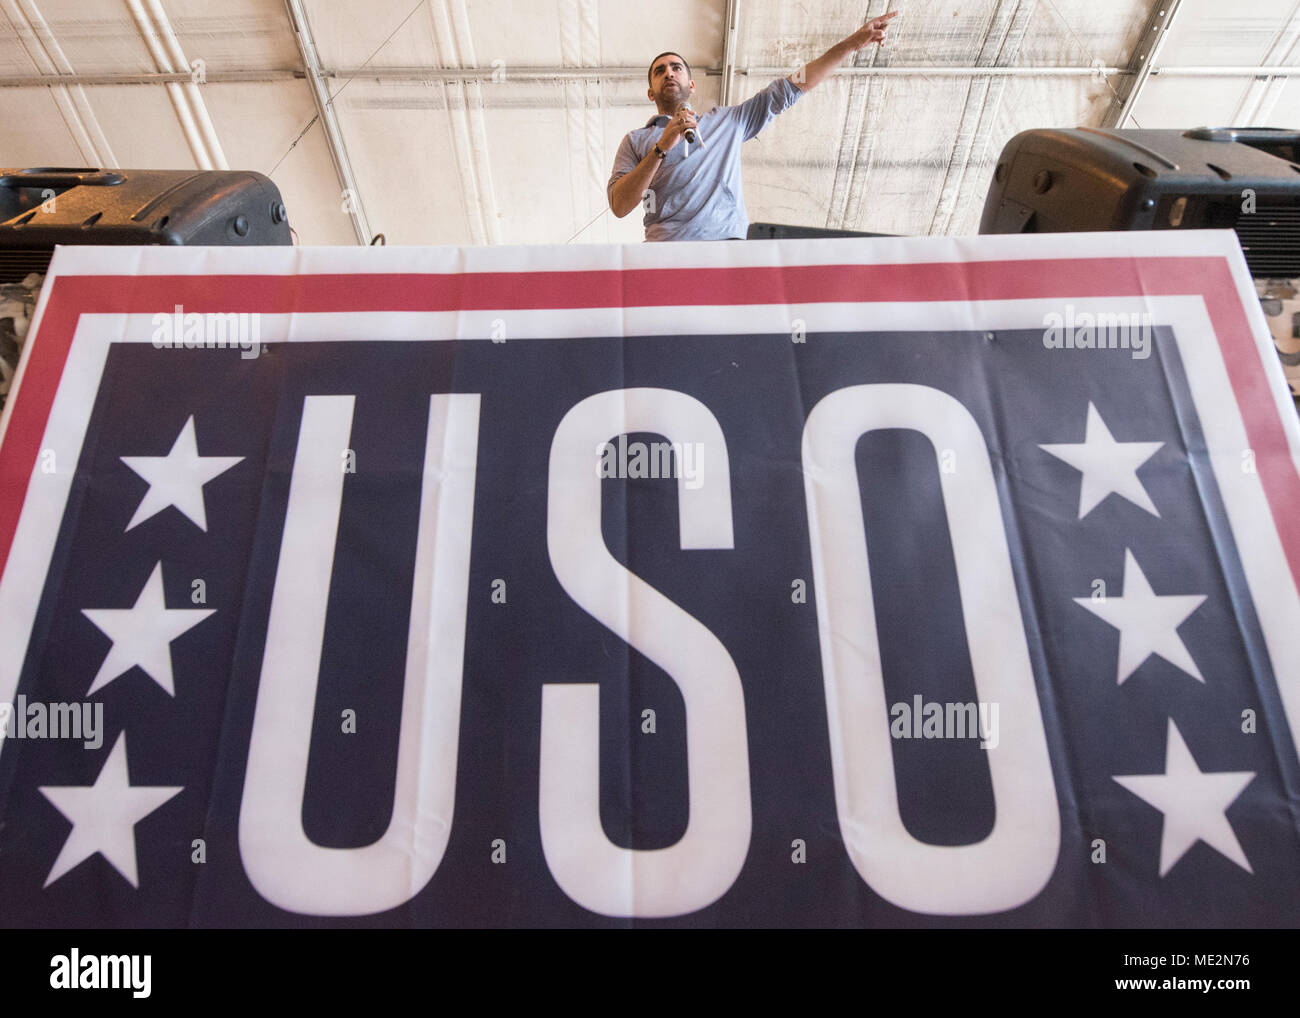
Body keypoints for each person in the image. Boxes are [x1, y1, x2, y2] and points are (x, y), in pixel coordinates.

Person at [607, 12, 899, 242]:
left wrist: (850, 45)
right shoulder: (635, 141)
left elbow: (792, 87)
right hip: (666, 255)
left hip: (728, 249)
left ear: (691, 85)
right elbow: (619, 206)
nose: (669, 73)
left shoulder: (728, 121)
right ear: (650, 92)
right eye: (660, 71)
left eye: (676, 68)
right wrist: (660, 147)